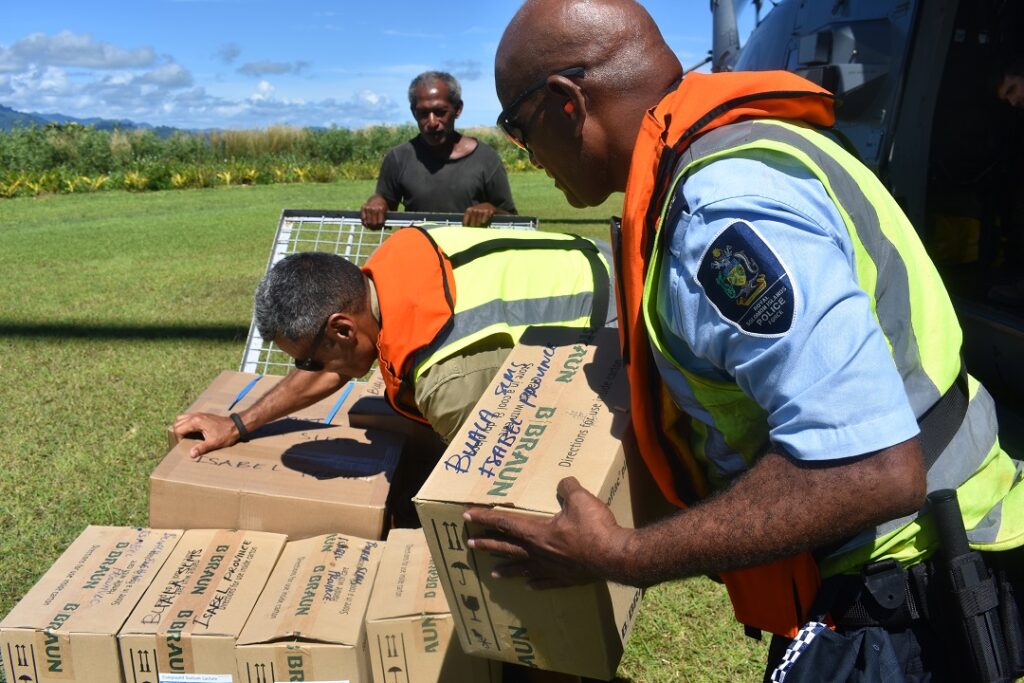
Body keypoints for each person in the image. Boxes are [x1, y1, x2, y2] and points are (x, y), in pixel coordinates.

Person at [464, 1, 1024, 680]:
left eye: (519, 132)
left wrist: (621, 554)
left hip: (910, 594)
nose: (528, 157)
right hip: (933, 550)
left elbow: (872, 466)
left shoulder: (718, 211)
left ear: (565, 102)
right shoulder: (741, 148)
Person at [173, 226, 614, 452]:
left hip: (621, 324)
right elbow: (336, 367)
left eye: (308, 360)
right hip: (599, 254)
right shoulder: (398, 255)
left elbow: (499, 476)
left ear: (342, 329)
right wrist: (238, 423)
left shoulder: (444, 382)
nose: (308, 373)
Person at [360, 71, 517, 228]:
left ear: (458, 109)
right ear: (413, 113)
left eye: (440, 112)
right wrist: (376, 204)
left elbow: (512, 219)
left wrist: (492, 211)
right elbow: (385, 204)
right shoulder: (398, 158)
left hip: (469, 251)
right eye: (423, 113)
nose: (432, 122)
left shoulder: (486, 159)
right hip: (418, 251)